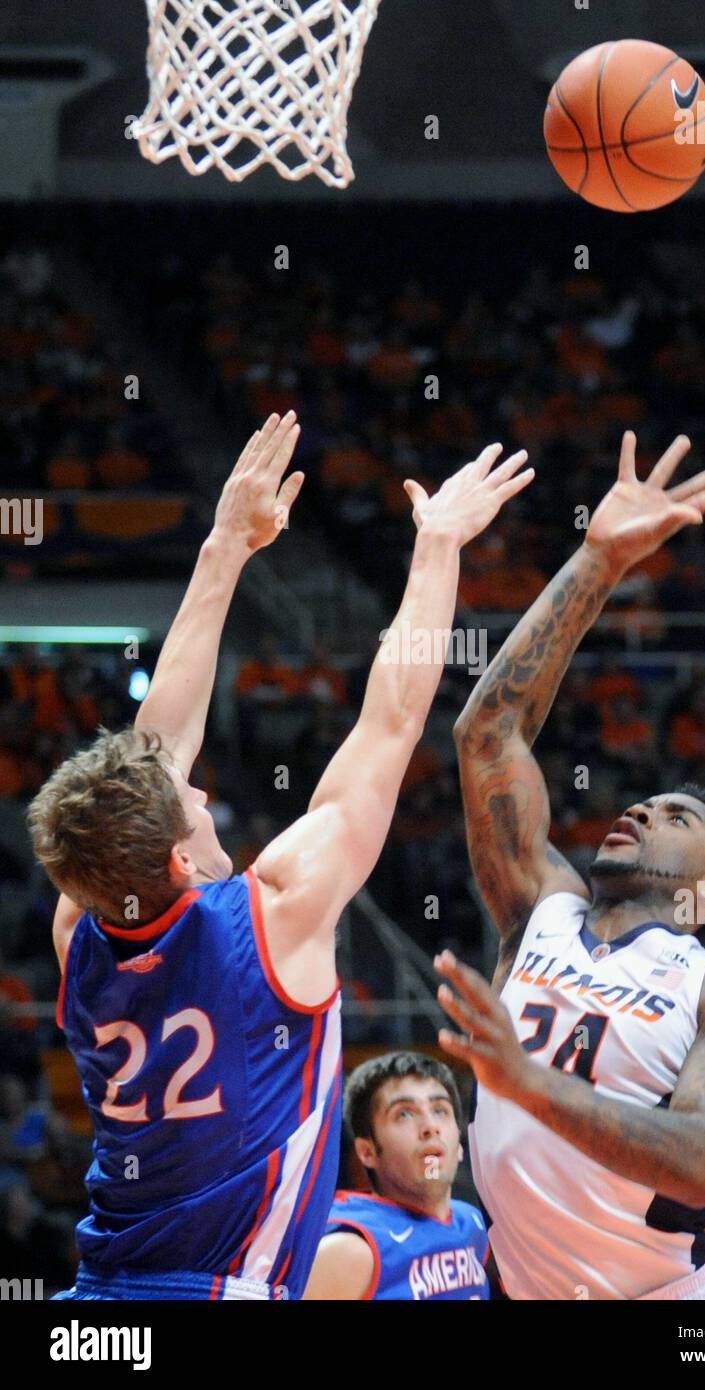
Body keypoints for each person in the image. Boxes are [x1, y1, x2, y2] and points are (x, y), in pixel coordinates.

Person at [28, 411, 532, 1301]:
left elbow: (156, 757)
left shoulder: (83, 925)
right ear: (180, 863)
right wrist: (439, 545)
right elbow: (391, 719)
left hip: (96, 1312)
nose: (202, 793)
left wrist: (227, 546)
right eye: (190, 805)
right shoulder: (272, 912)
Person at [438, 431, 705, 1300]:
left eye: (677, 817)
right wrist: (597, 559)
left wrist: (524, 1082)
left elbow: (703, 1159)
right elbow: (488, 735)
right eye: (645, 802)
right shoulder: (539, 912)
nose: (639, 810)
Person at [304, 1052, 488, 1300]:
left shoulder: (472, 1224)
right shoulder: (350, 1249)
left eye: (440, 1110)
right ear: (367, 1152)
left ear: (460, 1145)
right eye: (404, 1114)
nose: (430, 1127)